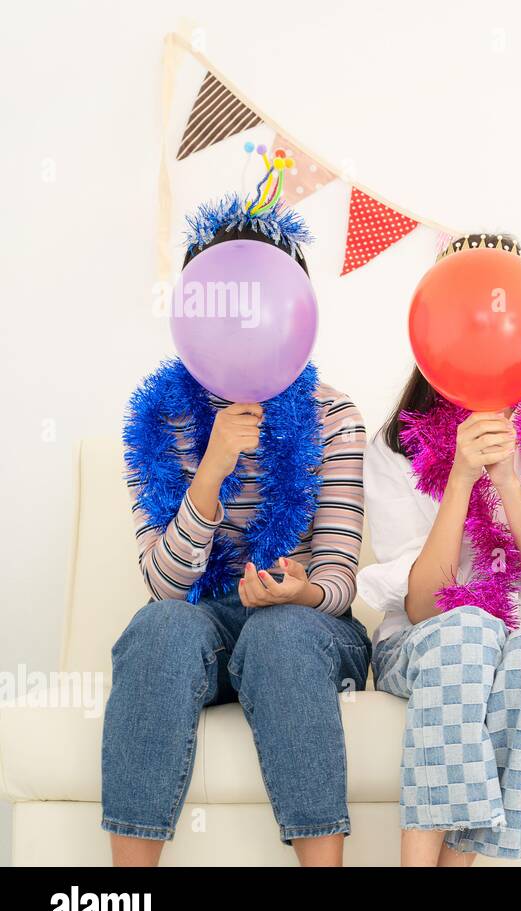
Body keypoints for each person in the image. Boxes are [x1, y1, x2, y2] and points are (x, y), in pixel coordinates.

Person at [103, 194, 369, 866]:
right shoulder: (158, 422)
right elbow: (164, 587)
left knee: (280, 634)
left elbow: (339, 578)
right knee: (159, 628)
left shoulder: (334, 414)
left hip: (308, 628)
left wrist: (299, 591)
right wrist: (212, 468)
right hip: (202, 622)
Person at [359, 234, 521, 866]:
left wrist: (509, 484)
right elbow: (421, 607)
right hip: (431, 637)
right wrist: (462, 477)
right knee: (465, 630)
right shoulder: (398, 443)